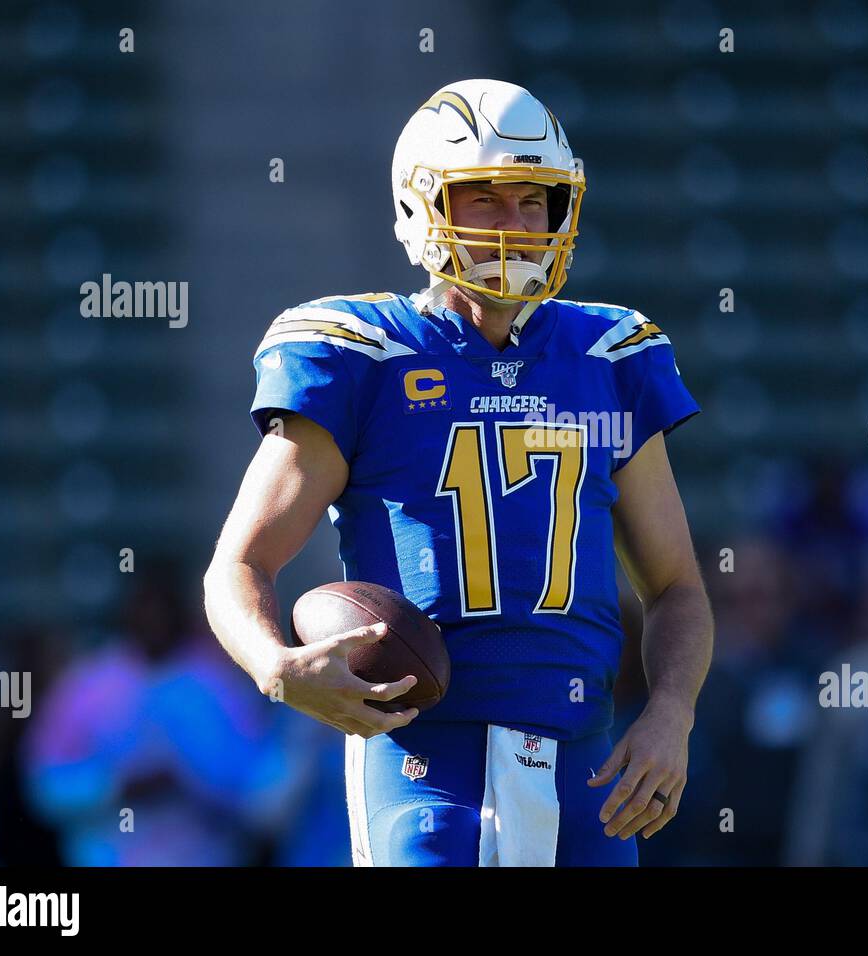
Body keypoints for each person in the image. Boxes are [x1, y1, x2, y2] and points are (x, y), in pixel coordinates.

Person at [203, 79, 714, 866]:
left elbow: (677, 585)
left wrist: (672, 711)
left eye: (533, 202)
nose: (515, 225)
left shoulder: (609, 357)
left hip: (588, 762)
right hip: (424, 762)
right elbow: (238, 565)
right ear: (422, 206)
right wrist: (277, 668)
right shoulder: (363, 354)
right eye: (484, 200)